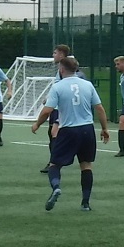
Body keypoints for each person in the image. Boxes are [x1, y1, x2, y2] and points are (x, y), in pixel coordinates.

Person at [32, 55, 109, 211]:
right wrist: (105, 129)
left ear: (61, 69)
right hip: (87, 129)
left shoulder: (58, 87)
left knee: (55, 164)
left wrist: (37, 124)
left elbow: (47, 110)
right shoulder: (88, 85)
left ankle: (56, 187)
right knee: (86, 165)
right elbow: (99, 108)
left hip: (68, 130)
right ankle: (85, 203)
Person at [39, 43, 75, 174]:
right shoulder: (61, 69)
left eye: (55, 53)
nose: (53, 55)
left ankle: (54, 162)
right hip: (57, 107)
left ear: (61, 55)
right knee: (52, 133)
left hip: (62, 107)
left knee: (55, 133)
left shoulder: (67, 69)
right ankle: (57, 159)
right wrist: (48, 97)